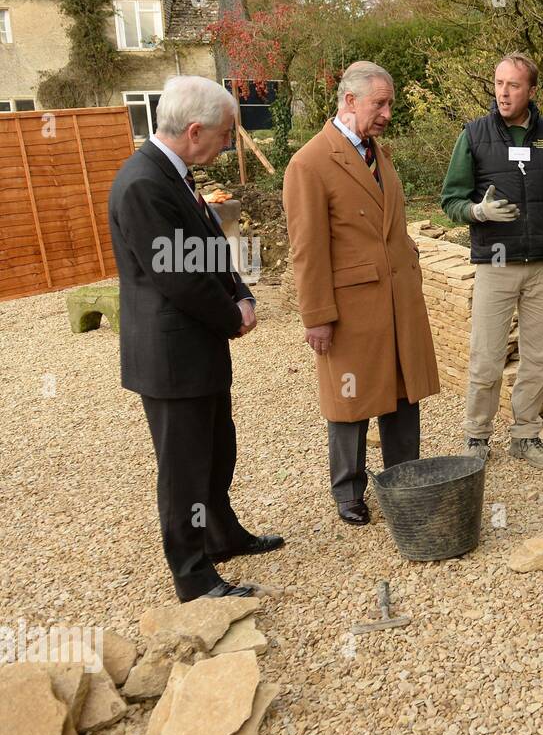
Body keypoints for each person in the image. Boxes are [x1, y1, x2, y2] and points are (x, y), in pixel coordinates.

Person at [109, 75, 283, 602]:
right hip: (171, 353)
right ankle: (193, 574)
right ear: (193, 130)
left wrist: (243, 292)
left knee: (215, 449)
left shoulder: (176, 174)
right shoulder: (144, 184)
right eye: (226, 133)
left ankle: (221, 534)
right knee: (183, 467)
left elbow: (208, 249)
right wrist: (232, 317)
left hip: (196, 346)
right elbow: (176, 276)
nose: (230, 142)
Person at [283, 61, 440, 526]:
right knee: (349, 399)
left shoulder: (379, 153)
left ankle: (404, 477)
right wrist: (316, 316)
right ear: (349, 101)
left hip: (399, 299)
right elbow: (306, 249)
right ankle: (348, 492)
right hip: (351, 307)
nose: (388, 112)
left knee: (403, 392)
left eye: (389, 103)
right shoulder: (309, 163)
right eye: (380, 103)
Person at [440, 51, 543, 470]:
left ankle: (525, 434)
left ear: (532, 90)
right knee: (486, 355)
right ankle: (476, 435)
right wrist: (477, 212)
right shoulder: (474, 135)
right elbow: (451, 198)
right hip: (496, 262)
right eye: (499, 83)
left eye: (514, 85)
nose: (503, 92)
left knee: (539, 354)